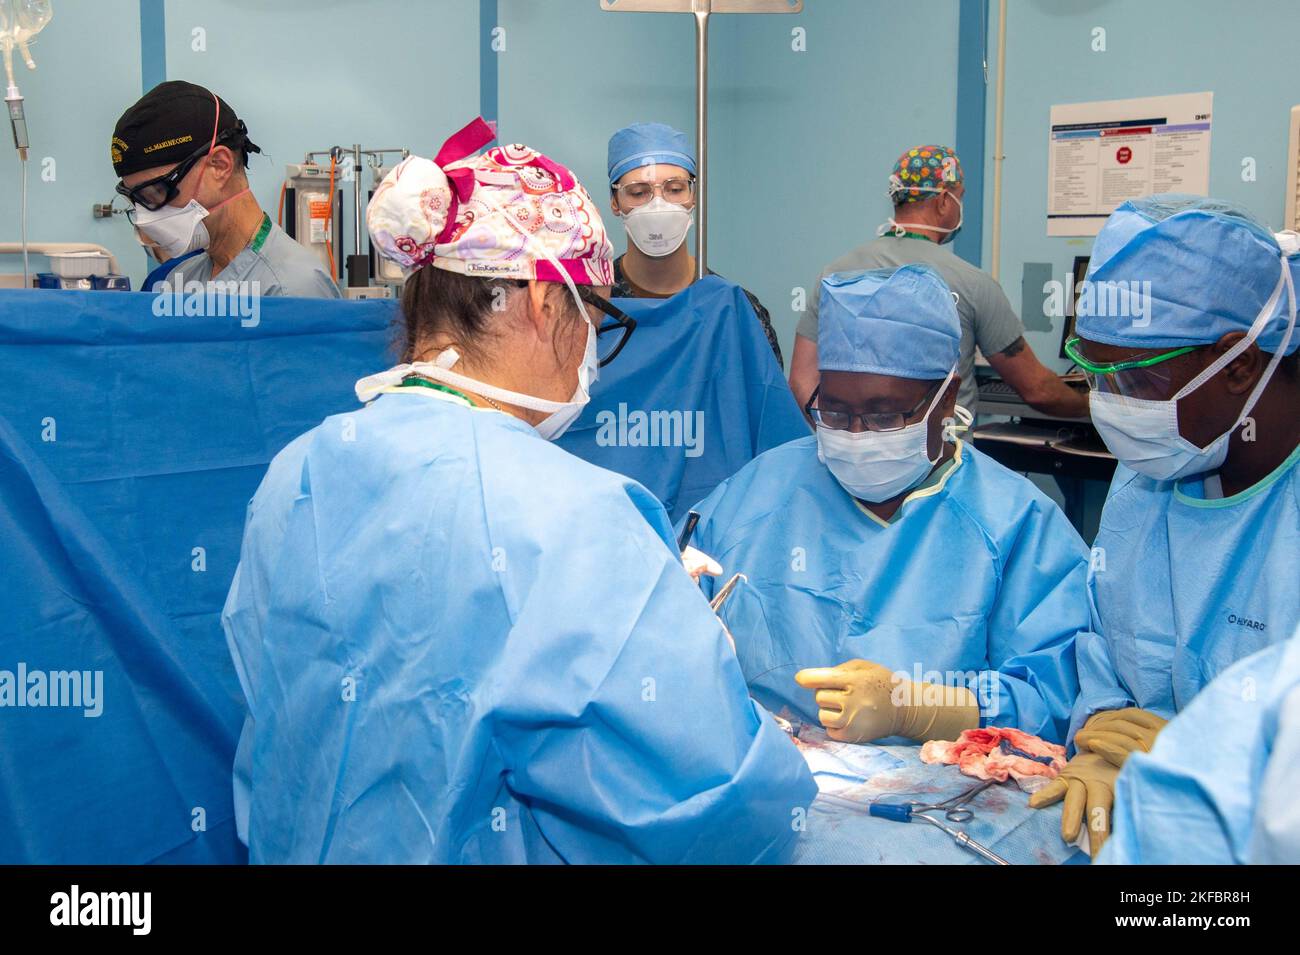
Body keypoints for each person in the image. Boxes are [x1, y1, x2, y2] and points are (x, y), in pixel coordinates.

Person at [221, 118, 815, 864]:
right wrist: (699, 655)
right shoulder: (579, 516)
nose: (595, 346)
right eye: (597, 317)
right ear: (542, 301)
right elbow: (719, 807)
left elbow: (274, 748)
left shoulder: (298, 474)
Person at [684, 265, 1089, 747]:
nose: (854, 434)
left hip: (939, 795)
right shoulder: (759, 491)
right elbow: (668, 614)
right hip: (769, 772)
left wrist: (914, 709)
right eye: (833, 411)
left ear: (946, 397)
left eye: (882, 415)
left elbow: (1054, 699)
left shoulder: (1015, 524)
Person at [1030, 195, 1299, 858]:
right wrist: (1100, 733)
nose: (1109, 409)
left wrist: (1212, 764)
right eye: (1093, 374)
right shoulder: (1155, 472)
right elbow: (1108, 644)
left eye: (1133, 382)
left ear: (1236, 362)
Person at [788, 145, 1086, 418]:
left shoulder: (833, 275)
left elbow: (801, 380)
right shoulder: (972, 283)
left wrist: (837, 436)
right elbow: (1038, 389)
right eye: (961, 196)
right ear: (945, 201)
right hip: (942, 464)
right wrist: (1095, 409)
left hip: (848, 458)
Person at [112, 80, 339, 298]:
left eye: (156, 192)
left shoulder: (293, 288)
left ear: (219, 165)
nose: (146, 218)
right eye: (136, 200)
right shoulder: (178, 280)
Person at [607, 122, 783, 367]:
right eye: (638, 192)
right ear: (615, 202)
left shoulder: (735, 310)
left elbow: (766, 399)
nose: (659, 205)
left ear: (693, 196)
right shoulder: (591, 306)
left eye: (675, 189)